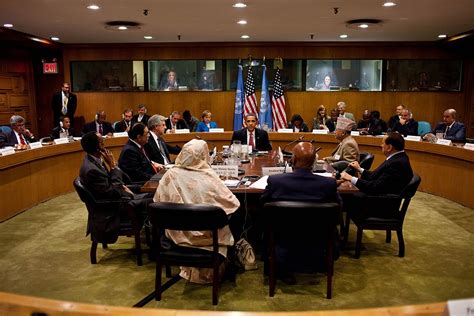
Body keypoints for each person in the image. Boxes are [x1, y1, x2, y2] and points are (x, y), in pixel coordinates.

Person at [153, 139, 240, 284]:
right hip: (208, 238)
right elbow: (233, 204)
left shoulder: (169, 175)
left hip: (176, 235)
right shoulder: (208, 176)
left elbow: (157, 203)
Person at [261, 141, 341, 283]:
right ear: (315, 162)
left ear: (293, 159)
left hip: (282, 238)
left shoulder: (276, 181)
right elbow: (338, 208)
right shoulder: (328, 184)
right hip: (319, 240)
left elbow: (264, 204)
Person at [79, 131, 151, 240]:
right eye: (102, 141)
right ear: (97, 146)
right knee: (154, 200)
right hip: (114, 208)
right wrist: (113, 167)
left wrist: (115, 168)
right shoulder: (91, 170)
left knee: (153, 193)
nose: (104, 142)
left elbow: (118, 181)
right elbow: (112, 193)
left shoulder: (95, 160)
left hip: (119, 197)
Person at [340, 132, 413, 195]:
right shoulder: (398, 157)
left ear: (389, 147)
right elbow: (376, 176)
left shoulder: (396, 163)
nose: (381, 145)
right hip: (377, 195)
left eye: (382, 143)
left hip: (377, 201)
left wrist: (351, 178)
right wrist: (359, 169)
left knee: (342, 194)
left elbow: (375, 187)